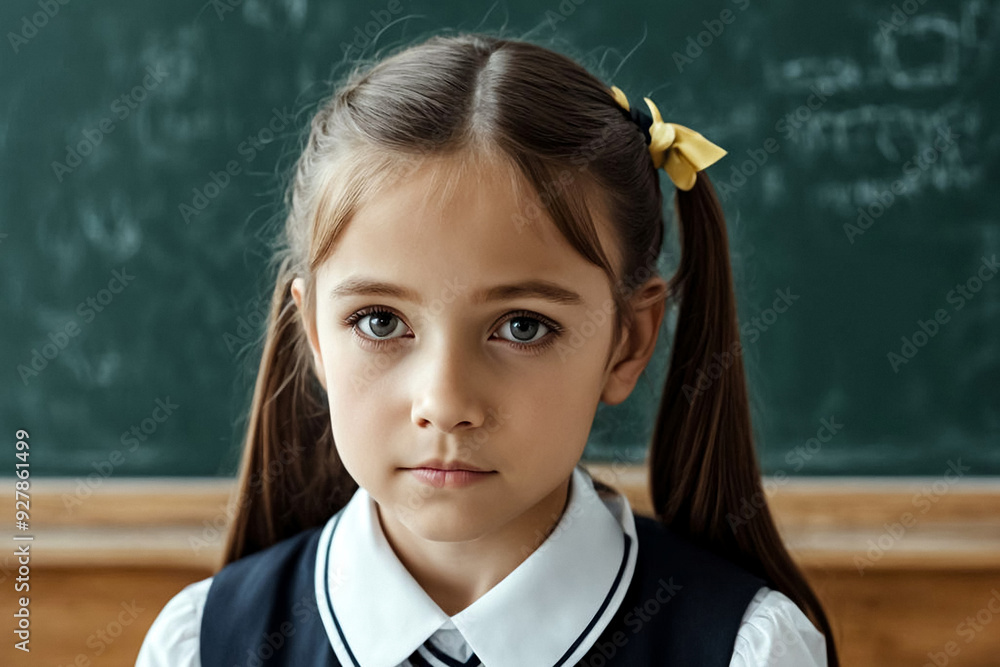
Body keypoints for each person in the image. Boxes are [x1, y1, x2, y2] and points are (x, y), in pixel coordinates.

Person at [136, 31, 837, 667]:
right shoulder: (200, 645)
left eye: (523, 326)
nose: (445, 403)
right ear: (314, 334)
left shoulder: (747, 650)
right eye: (380, 321)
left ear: (628, 340)